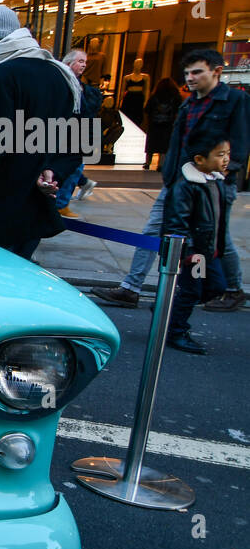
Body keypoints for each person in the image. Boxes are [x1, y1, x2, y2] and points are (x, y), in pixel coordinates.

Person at [92, 49, 248, 311]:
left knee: (216, 238)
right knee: (152, 231)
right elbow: (180, 141)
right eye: (187, 73)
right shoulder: (189, 102)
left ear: (217, 72)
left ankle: (233, 289)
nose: (190, 77)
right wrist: (170, 174)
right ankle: (131, 288)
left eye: (197, 72)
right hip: (178, 181)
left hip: (211, 185)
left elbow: (241, 144)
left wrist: (223, 175)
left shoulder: (234, 101)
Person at [0, 5, 81, 259]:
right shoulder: (62, 77)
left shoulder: (1, 78)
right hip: (31, 217)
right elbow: (76, 144)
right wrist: (54, 171)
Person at [163, 134, 233, 355]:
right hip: (195, 254)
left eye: (227, 154)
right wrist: (187, 251)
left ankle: (172, 311)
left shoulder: (215, 181)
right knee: (192, 291)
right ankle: (176, 330)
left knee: (216, 287)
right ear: (200, 159)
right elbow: (176, 222)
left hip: (209, 251)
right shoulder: (186, 186)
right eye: (220, 154)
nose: (226, 159)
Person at [54, 48, 105, 215]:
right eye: (80, 61)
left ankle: (61, 203)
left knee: (74, 168)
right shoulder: (62, 82)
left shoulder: (83, 88)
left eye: (85, 62)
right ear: (69, 63)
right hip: (63, 134)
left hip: (77, 134)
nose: (84, 65)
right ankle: (60, 203)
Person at [143, 77, 183, 171]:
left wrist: (146, 122)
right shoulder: (176, 97)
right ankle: (161, 164)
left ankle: (148, 163)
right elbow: (180, 111)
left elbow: (147, 110)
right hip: (168, 124)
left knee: (151, 144)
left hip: (154, 124)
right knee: (164, 146)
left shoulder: (154, 96)